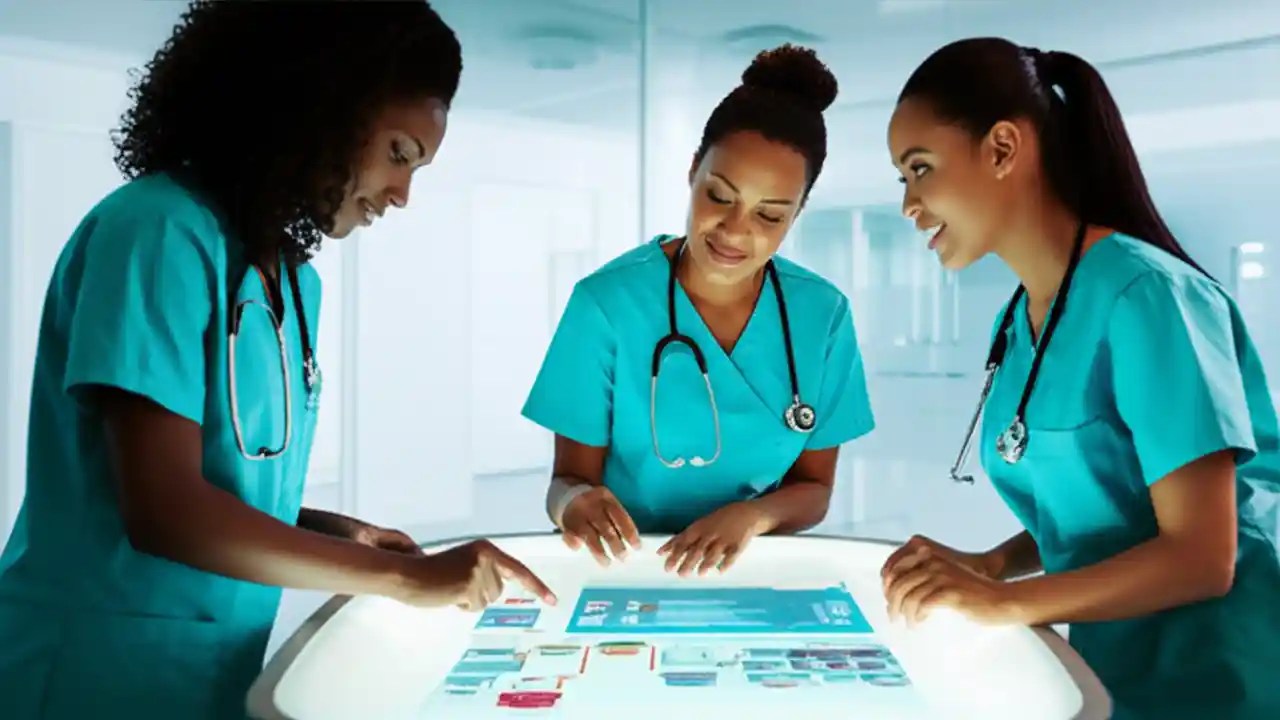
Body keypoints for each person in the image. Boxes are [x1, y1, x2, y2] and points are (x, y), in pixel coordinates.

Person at [0, 3, 554, 719]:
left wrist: (335, 533)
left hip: (209, 670)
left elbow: (226, 481)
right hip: (88, 668)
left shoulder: (293, 281)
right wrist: (398, 578)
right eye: (398, 154)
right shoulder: (155, 231)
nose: (402, 195)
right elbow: (164, 508)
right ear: (320, 107)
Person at [880, 37, 1280, 720]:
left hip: (1224, 676)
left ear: (1003, 148)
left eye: (921, 169)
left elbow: (1202, 557)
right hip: (1119, 670)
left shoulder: (1148, 296)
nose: (909, 204)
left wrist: (1002, 603)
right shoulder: (1025, 316)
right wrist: (992, 565)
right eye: (902, 179)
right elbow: (1102, 503)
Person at [521, 45, 875, 577]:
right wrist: (574, 505)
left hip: (753, 567)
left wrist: (751, 517)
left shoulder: (822, 316)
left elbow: (815, 489)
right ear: (692, 171)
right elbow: (566, 482)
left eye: (770, 215)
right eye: (719, 196)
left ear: (797, 212)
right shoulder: (606, 304)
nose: (736, 230)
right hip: (623, 567)